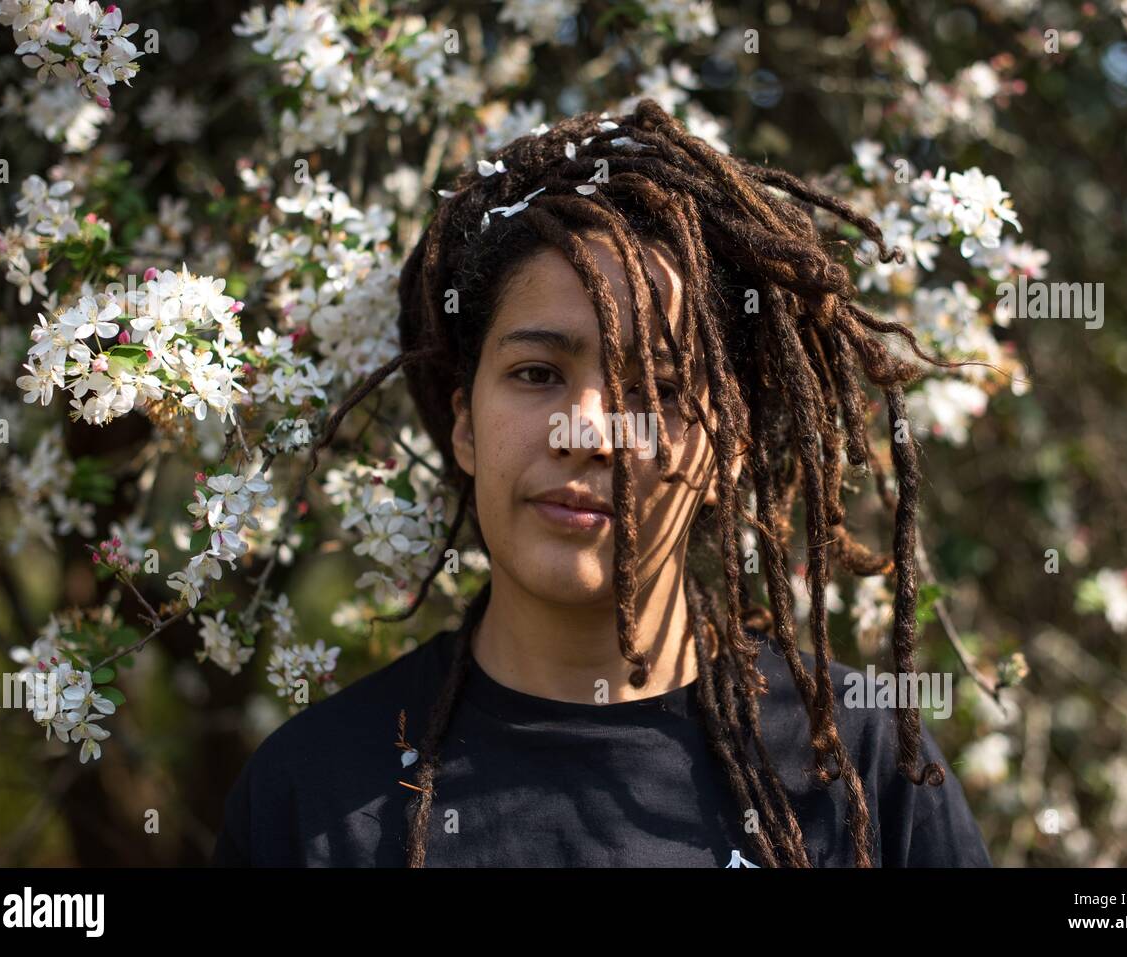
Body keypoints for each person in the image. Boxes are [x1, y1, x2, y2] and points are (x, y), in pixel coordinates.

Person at [212, 99, 992, 868]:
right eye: (537, 373)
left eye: (653, 391)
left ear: (729, 446)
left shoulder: (860, 765)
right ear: (464, 424)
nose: (586, 431)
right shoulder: (308, 797)